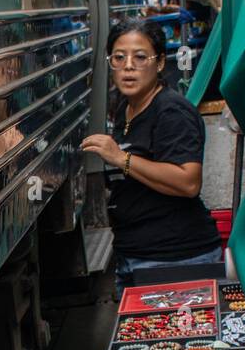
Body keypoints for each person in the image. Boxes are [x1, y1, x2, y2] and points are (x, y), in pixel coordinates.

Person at [81, 19, 223, 296]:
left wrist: (121, 158)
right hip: (135, 257)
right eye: (119, 58)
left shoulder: (171, 112)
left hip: (177, 260)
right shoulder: (126, 107)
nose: (129, 66)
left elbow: (188, 182)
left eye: (140, 57)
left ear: (159, 64)